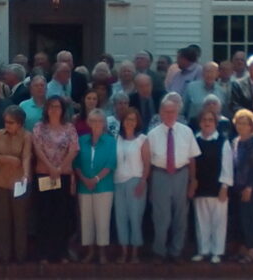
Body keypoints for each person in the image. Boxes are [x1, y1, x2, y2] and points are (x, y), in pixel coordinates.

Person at [147, 92, 201, 263]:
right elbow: (148, 163)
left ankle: (176, 251)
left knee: (181, 216)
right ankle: (159, 251)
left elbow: (192, 158)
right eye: (166, 111)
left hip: (181, 175)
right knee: (160, 217)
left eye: (173, 112)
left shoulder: (187, 132)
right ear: (160, 113)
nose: (170, 115)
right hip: (160, 175)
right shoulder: (152, 135)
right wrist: (149, 185)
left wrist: (193, 181)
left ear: (177, 113)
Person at [31, 96, 79, 264]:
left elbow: (74, 149)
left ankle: (61, 252)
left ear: (63, 109)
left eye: (57, 106)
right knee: (44, 214)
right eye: (51, 106)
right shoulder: (39, 127)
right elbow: (37, 148)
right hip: (44, 174)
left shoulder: (69, 128)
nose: (54, 109)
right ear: (46, 109)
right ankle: (43, 253)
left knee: (62, 215)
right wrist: (51, 167)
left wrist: (59, 168)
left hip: (63, 175)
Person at [74, 108, 117, 264]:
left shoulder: (111, 141)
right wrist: (84, 179)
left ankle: (102, 253)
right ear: (88, 123)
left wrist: (96, 179)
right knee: (87, 220)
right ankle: (90, 251)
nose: (97, 124)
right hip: (84, 185)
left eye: (100, 121)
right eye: (93, 121)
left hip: (104, 186)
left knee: (102, 220)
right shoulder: (81, 140)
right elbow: (76, 163)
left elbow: (111, 163)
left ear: (104, 123)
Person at [190, 108, 234, 264]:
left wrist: (225, 186)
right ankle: (203, 250)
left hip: (218, 188)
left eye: (210, 120)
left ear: (215, 123)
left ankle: (217, 252)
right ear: (200, 123)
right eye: (204, 120)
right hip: (200, 187)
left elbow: (227, 165)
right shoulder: (195, 140)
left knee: (218, 222)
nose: (207, 123)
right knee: (201, 222)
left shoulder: (223, 141)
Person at [0, 105, 32, 264]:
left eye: (11, 122)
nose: (7, 125)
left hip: (19, 182)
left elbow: (26, 157)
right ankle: (4, 254)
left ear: (20, 123)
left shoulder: (27, 136)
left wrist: (26, 174)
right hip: (2, 181)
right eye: (6, 121)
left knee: (20, 219)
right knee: (3, 219)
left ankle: (21, 255)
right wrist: (7, 159)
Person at [113, 107, 149, 264]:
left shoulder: (142, 139)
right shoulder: (117, 139)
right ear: (123, 121)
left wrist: (143, 181)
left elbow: (147, 163)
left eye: (133, 119)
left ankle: (135, 253)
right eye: (127, 119)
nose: (130, 122)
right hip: (118, 182)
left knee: (135, 218)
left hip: (136, 181)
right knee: (121, 218)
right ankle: (124, 252)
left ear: (137, 122)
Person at [230, 108, 253, 263]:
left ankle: (251, 251)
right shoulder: (235, 141)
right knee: (239, 220)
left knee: (249, 219)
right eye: (239, 123)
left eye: (245, 123)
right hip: (236, 187)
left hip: (251, 188)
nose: (241, 126)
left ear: (251, 126)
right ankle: (242, 250)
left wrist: (249, 187)